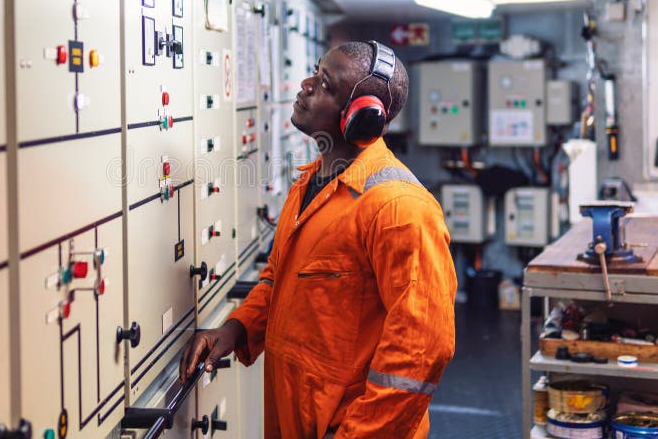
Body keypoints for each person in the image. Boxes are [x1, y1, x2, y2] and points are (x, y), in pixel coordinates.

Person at [180, 41, 457, 439]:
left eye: (325, 84)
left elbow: (420, 353)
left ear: (360, 118)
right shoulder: (309, 184)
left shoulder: (398, 208)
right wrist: (236, 329)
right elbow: (280, 279)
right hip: (295, 418)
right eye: (315, 71)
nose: (306, 85)